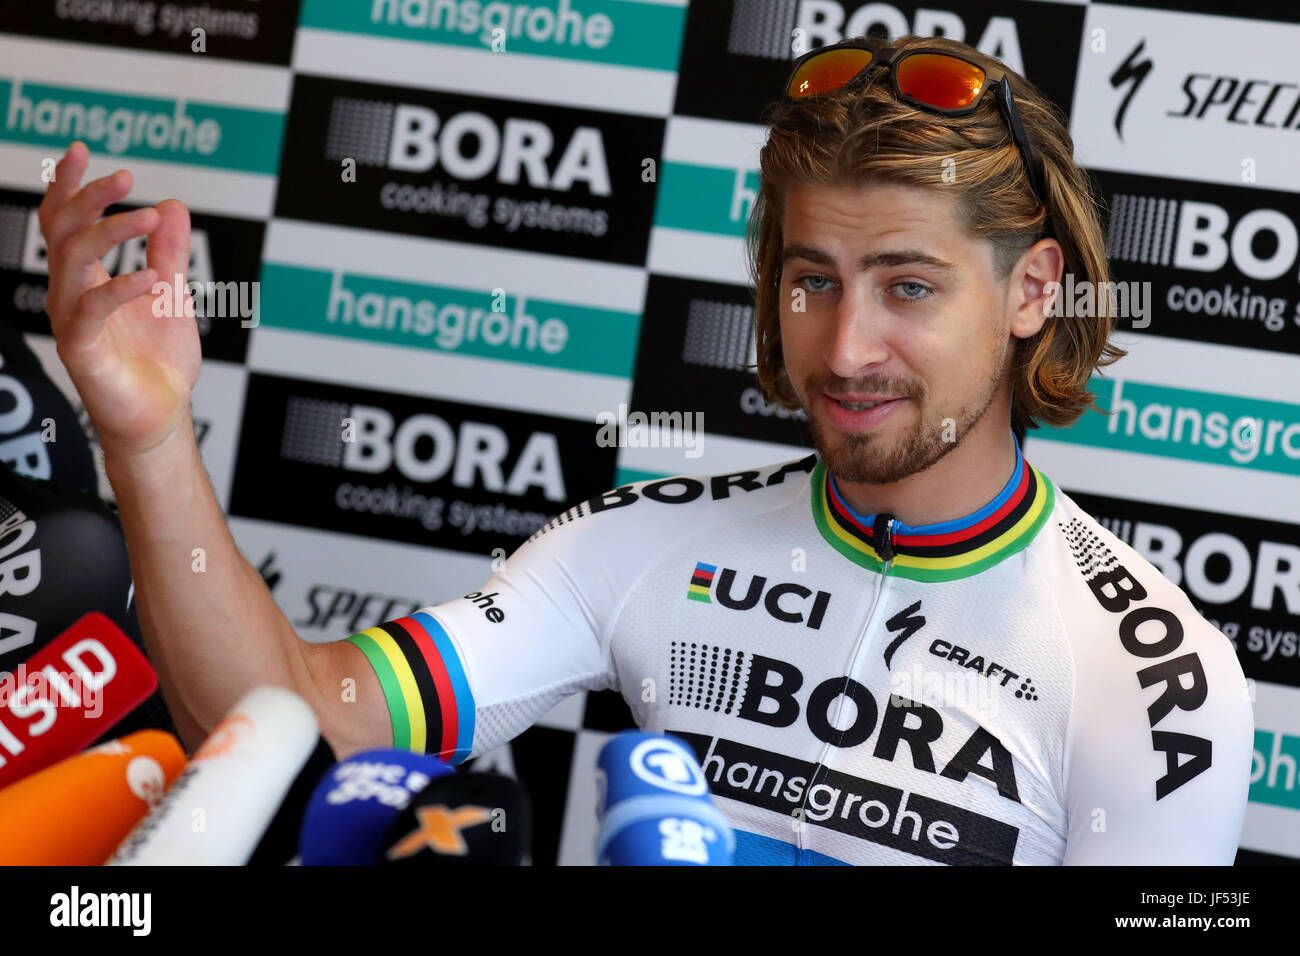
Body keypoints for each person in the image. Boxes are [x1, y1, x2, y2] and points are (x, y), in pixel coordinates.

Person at [38, 34, 1251, 865]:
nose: (844, 346)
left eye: (909, 286)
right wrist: (146, 436)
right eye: (810, 280)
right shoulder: (641, 542)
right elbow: (290, 722)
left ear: (1033, 289)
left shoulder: (1157, 680)